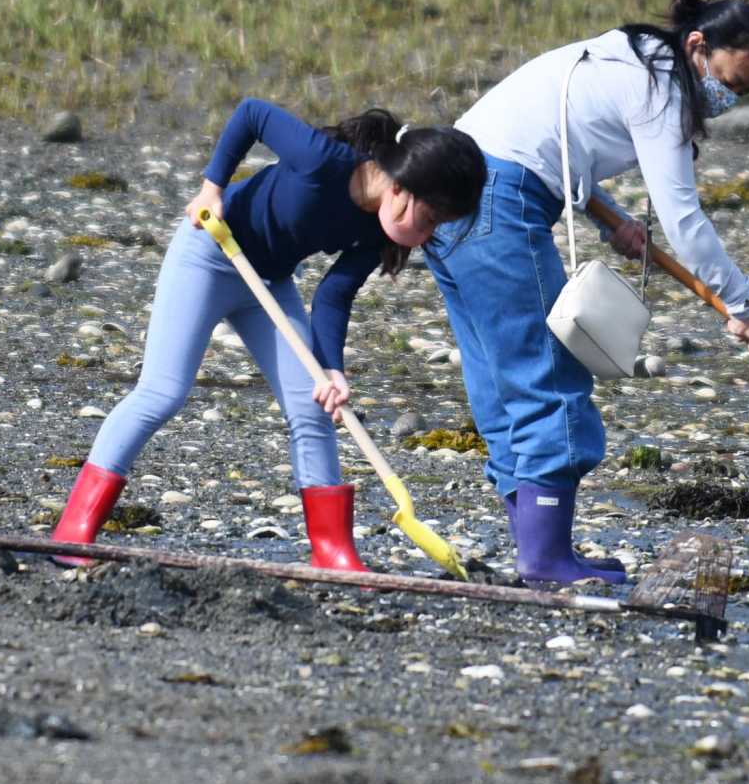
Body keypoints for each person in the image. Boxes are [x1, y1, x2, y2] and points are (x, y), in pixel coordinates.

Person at [425, 0, 749, 585]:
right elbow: (684, 220)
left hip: (448, 192)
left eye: (742, 95)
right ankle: (546, 561)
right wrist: (745, 304)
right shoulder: (659, 86)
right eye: (730, 83)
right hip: (498, 203)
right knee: (550, 380)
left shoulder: (626, 54)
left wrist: (609, 218)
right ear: (698, 46)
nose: (727, 100)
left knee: (498, 380)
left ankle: (537, 550)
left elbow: (554, 140)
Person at [50, 100, 485, 570]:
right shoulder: (322, 160)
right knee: (163, 393)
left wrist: (332, 370)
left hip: (268, 285)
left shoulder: (373, 230)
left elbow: (334, 296)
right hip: (210, 255)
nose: (425, 237)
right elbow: (251, 114)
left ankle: (332, 552)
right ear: (401, 187)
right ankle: (74, 531)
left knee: (313, 406)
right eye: (430, 220)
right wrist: (211, 189)